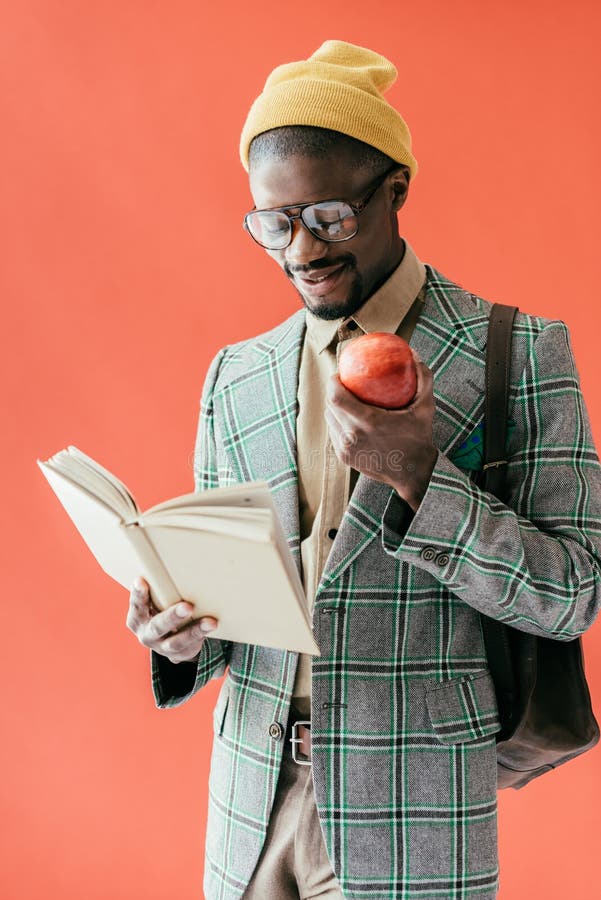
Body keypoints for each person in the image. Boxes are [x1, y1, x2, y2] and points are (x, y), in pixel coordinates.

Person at [126, 40, 601, 900]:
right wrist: (181, 636)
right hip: (250, 802)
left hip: (416, 812)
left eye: (329, 217)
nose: (299, 249)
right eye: (274, 223)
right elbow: (231, 607)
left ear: (394, 191)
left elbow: (571, 593)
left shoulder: (518, 352)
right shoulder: (237, 376)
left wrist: (421, 478)